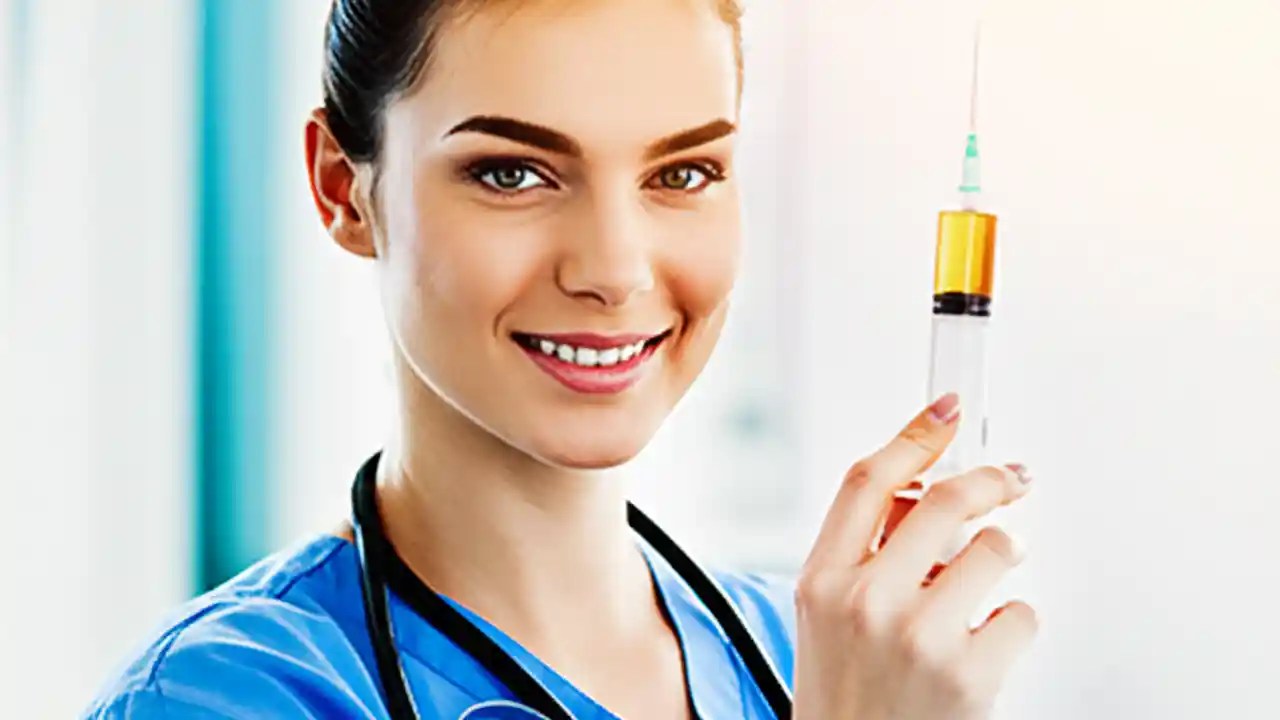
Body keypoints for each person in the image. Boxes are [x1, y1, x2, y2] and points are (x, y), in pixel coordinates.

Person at [84, 0, 1037, 717]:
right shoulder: (224, 696)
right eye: (512, 174)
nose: (614, 271)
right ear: (344, 188)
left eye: (683, 173)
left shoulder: (821, 659)